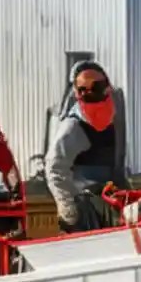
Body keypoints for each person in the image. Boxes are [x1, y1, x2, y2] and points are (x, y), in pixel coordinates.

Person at [45, 61, 129, 232]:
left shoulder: (117, 114)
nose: (89, 92)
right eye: (83, 89)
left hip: (112, 197)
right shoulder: (74, 126)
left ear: (107, 88)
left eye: (96, 86)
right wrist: (68, 207)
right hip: (88, 207)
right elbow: (54, 167)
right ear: (76, 93)